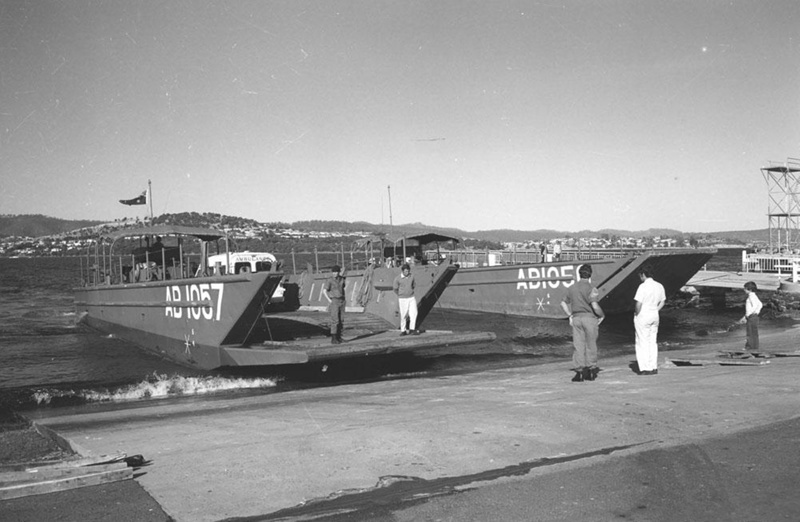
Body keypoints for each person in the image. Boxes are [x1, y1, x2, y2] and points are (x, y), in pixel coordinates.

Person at [560, 264, 605, 382]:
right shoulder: (592, 289)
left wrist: (570, 314)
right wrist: (602, 315)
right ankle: (591, 371)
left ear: (579, 274)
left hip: (576, 318)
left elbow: (563, 303)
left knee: (578, 345)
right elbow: (595, 306)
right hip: (589, 318)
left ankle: (579, 372)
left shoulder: (572, 288)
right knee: (591, 344)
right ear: (590, 275)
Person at [633, 266, 666, 375]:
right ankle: (653, 366)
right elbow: (663, 301)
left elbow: (638, 303)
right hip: (654, 314)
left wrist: (637, 313)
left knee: (642, 341)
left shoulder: (642, 287)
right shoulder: (659, 286)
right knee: (652, 341)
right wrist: (655, 310)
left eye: (640, 276)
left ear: (643, 274)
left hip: (643, 314)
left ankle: (645, 368)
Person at [393, 263, 419, 335]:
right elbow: (395, 288)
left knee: (414, 313)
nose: (407, 273)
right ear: (402, 271)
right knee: (403, 315)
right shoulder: (398, 279)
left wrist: (410, 291)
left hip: (411, 297)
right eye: (405, 271)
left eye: (408, 271)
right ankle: (403, 330)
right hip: (403, 299)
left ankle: (412, 329)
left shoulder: (412, 277)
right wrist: (400, 294)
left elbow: (413, 285)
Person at [323, 265, 346, 344]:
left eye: (336, 272)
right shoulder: (330, 280)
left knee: (341, 320)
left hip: (342, 300)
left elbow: (343, 287)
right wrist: (329, 300)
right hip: (334, 300)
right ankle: (333, 338)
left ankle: (339, 337)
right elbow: (324, 291)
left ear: (338, 272)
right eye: (333, 272)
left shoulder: (342, 279)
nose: (334, 273)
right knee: (335, 320)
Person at [739, 281, 762, 352]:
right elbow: (760, 304)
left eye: (745, 288)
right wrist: (757, 311)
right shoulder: (754, 296)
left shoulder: (751, 296)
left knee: (750, 332)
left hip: (751, 317)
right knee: (754, 333)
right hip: (755, 316)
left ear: (750, 289)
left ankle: (749, 347)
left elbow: (754, 306)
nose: (744, 290)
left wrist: (747, 315)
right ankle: (755, 347)